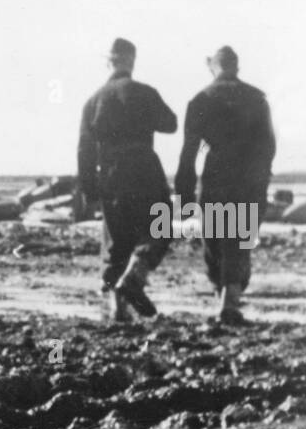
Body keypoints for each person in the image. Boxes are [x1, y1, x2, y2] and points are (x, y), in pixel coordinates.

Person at [76, 38, 178, 321]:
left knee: (116, 239)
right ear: (132, 61)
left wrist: (89, 190)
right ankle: (135, 275)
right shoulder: (145, 93)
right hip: (145, 169)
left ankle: (117, 308)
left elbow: (84, 150)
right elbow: (170, 124)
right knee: (159, 225)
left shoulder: (93, 101)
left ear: (109, 62)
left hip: (110, 174)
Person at [174, 46, 276, 325]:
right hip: (248, 179)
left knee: (216, 242)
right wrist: (261, 184)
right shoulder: (257, 99)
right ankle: (229, 300)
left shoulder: (200, 100)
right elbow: (268, 147)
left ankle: (226, 300)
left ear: (212, 68)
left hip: (216, 178)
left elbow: (188, 153)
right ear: (236, 67)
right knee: (238, 241)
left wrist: (183, 199)